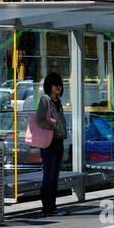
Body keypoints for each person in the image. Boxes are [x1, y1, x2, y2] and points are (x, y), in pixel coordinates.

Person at [35, 72, 69, 215]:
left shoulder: (57, 101)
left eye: (60, 84)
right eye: (55, 84)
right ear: (49, 86)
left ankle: (52, 207)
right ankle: (47, 208)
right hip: (49, 142)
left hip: (58, 141)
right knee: (48, 175)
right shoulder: (45, 100)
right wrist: (53, 125)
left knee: (54, 176)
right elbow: (39, 120)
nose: (58, 87)